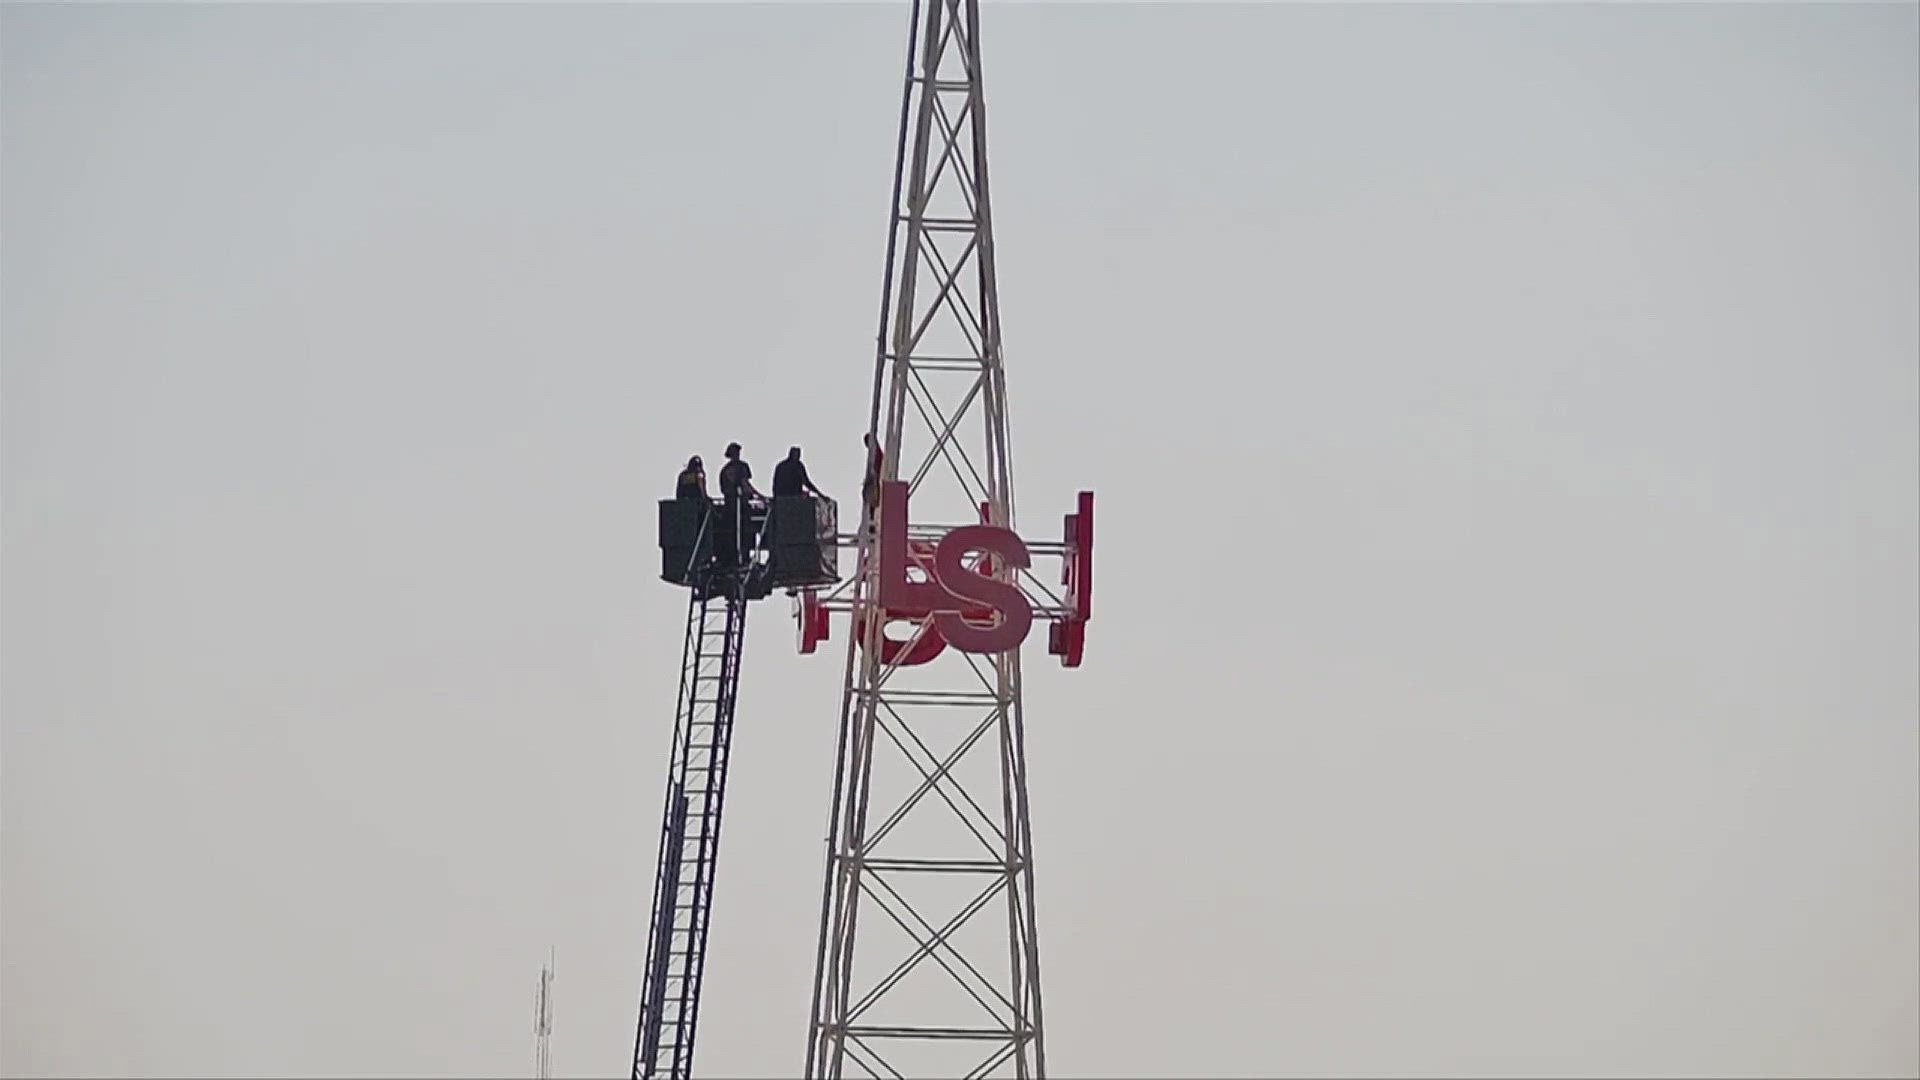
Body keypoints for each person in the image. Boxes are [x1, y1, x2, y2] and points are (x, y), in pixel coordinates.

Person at [716, 442, 759, 566]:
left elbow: (723, 489)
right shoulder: (742, 467)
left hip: (728, 506)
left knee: (730, 532)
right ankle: (744, 557)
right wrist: (759, 497)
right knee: (747, 530)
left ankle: (731, 558)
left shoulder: (724, 470)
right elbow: (745, 485)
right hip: (741, 506)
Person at [861, 432, 884, 520]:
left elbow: (876, 470)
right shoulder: (876, 453)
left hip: (877, 482)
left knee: (872, 504)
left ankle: (872, 521)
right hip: (875, 482)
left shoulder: (876, 454)